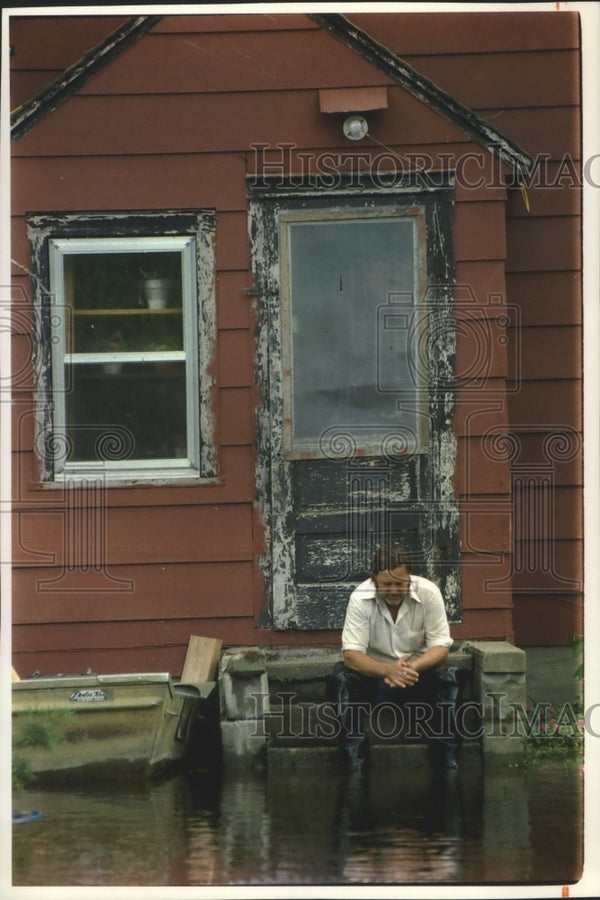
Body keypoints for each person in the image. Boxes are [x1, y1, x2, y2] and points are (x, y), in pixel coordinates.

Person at [328, 543, 459, 772]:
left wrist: (413, 668)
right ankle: (355, 762)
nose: (393, 589)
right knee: (341, 680)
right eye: (386, 584)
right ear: (374, 580)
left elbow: (441, 646)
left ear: (411, 578)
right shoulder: (360, 598)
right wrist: (388, 670)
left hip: (417, 677)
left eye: (400, 583)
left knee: (449, 677)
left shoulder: (429, 593)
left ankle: (447, 761)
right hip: (375, 679)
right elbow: (351, 655)